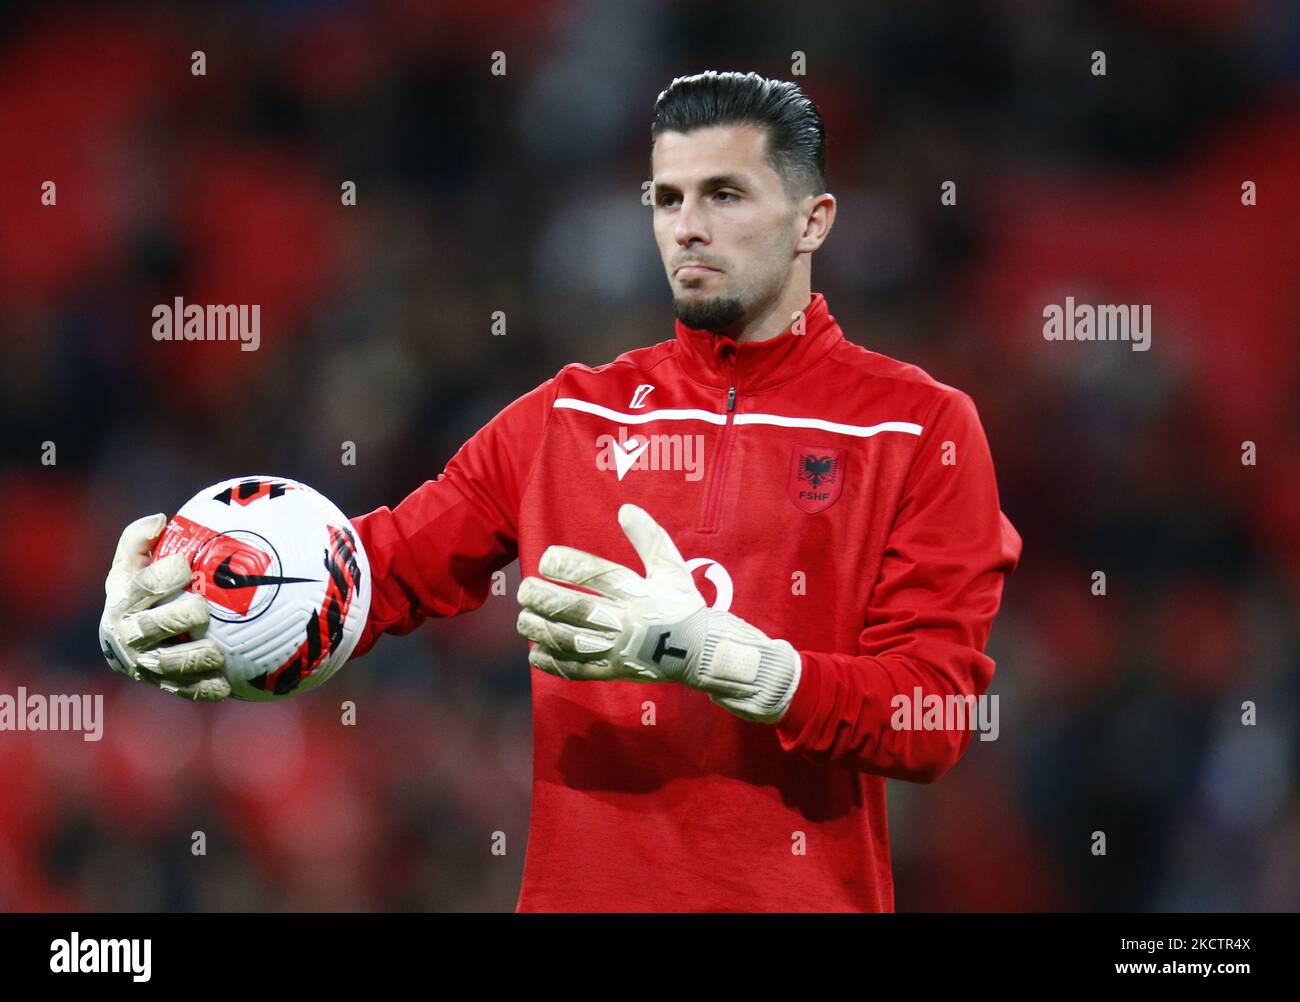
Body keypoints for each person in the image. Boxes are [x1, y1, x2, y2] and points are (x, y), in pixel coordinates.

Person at [99, 70, 1022, 911]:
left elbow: (930, 716)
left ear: (814, 220)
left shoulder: (919, 428)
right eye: (667, 199)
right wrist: (191, 604)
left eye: (725, 195)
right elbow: (370, 574)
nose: (687, 226)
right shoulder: (567, 418)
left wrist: (734, 663)